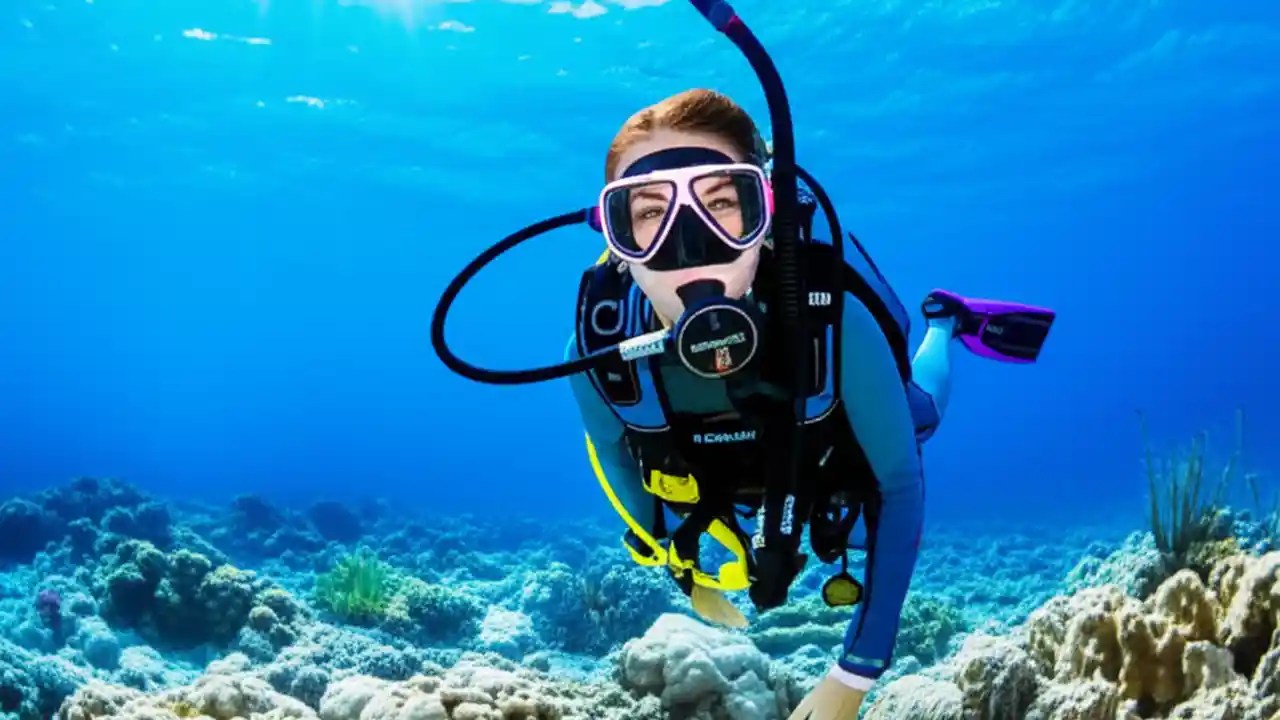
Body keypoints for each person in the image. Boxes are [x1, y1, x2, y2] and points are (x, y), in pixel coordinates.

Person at [563, 88, 1054, 720]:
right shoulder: (601, 348)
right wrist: (681, 569)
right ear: (619, 241)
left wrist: (852, 678)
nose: (690, 246)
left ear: (764, 215)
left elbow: (899, 485)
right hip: (721, 484)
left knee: (923, 413)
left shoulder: (832, 322)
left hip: (827, 452)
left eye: (720, 203)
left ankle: (944, 323)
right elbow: (613, 458)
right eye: (650, 213)